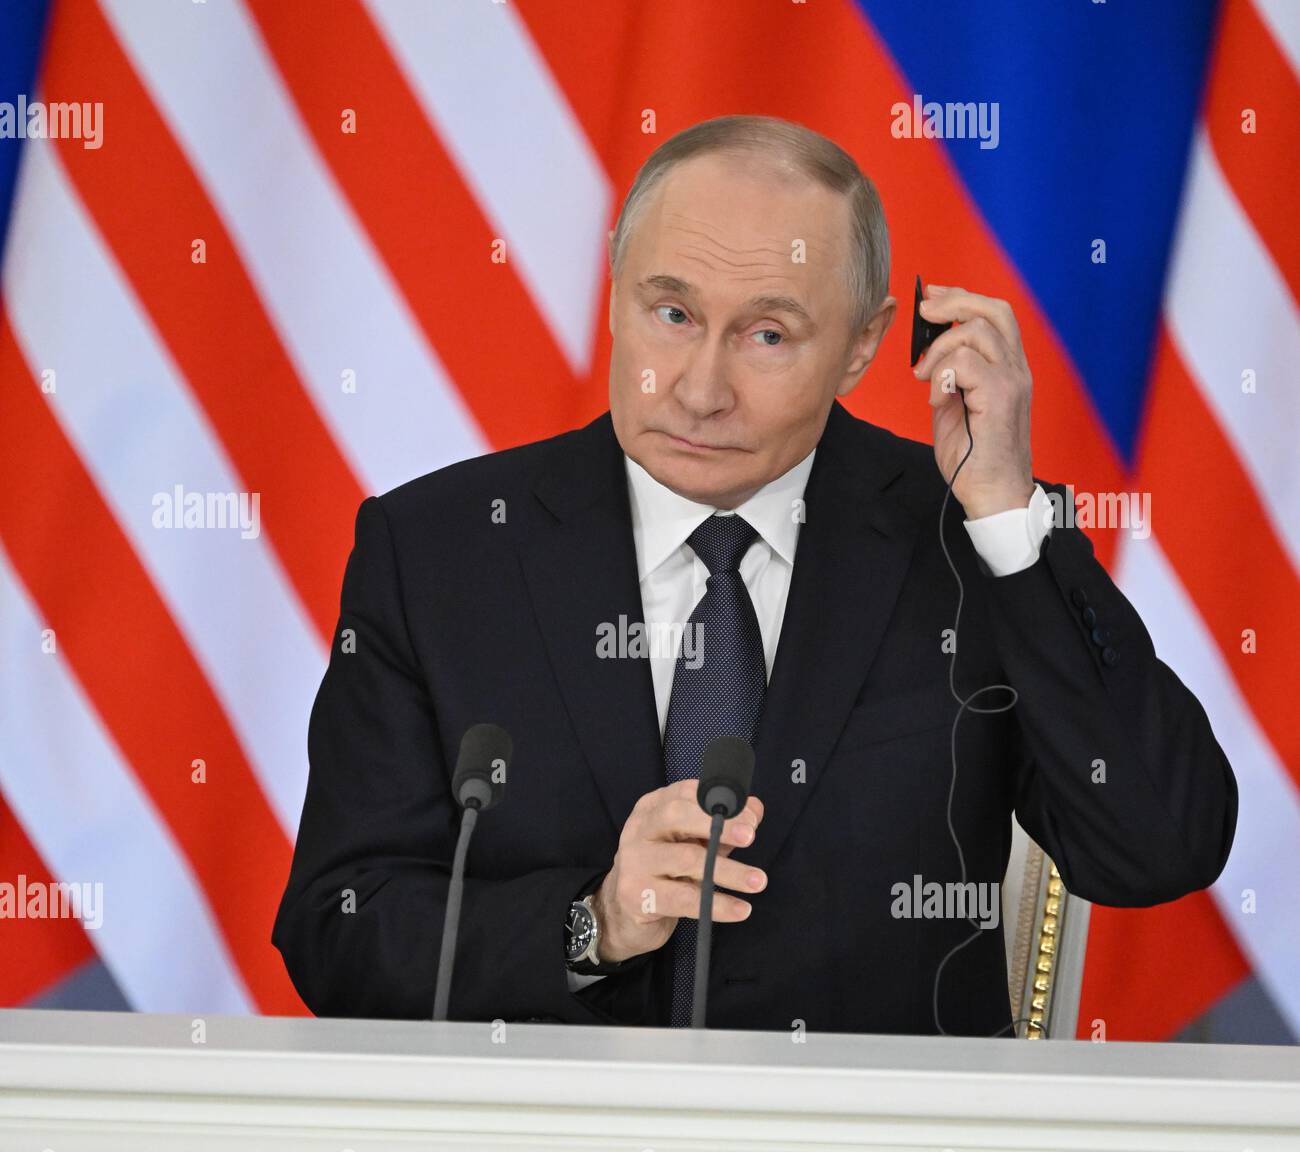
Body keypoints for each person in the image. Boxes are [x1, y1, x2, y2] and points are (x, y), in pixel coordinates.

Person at [273, 115, 1236, 1035]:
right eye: (673, 312)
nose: (699, 388)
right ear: (614, 290)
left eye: (767, 334)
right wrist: (592, 923)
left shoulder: (966, 541)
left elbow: (1158, 844)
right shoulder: (441, 550)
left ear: (864, 344)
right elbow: (336, 930)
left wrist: (1009, 523)